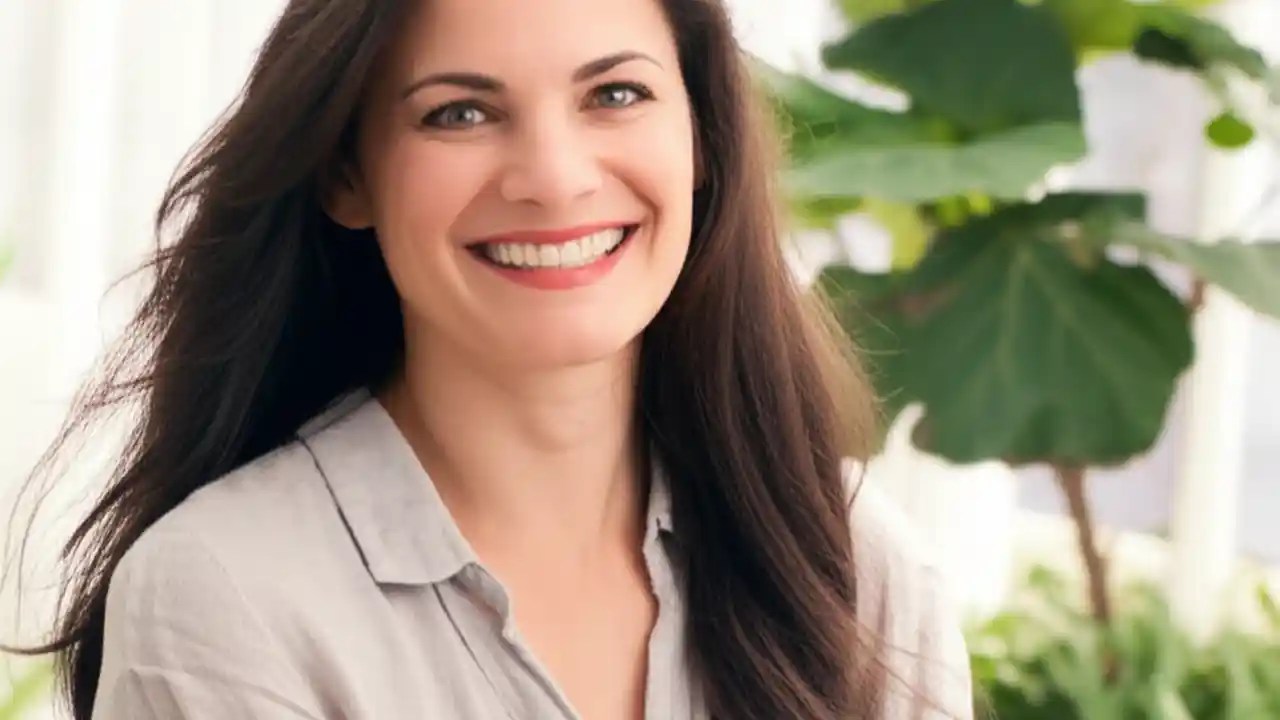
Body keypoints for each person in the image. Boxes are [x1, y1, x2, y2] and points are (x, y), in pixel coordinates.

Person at [7, 0, 973, 717]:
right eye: (459, 114)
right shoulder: (229, 594)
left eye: (616, 93)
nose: (554, 179)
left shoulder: (854, 564)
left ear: (702, 139)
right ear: (348, 172)